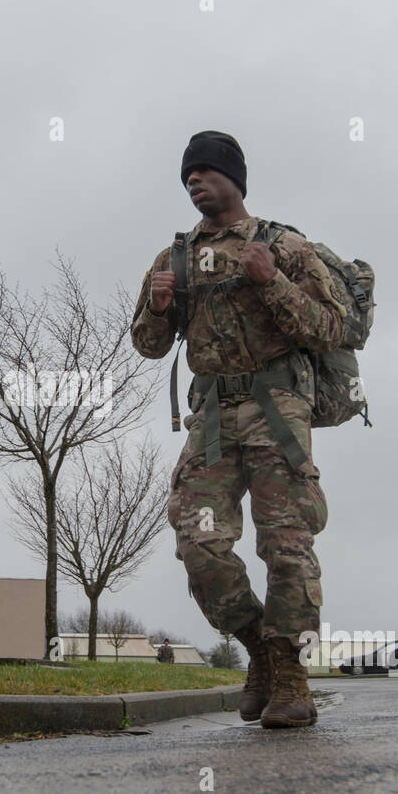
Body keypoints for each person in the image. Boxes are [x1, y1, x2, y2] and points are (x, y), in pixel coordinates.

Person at [130, 131, 346, 728]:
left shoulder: (282, 243)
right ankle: (261, 652)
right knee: (200, 544)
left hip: (278, 413)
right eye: (187, 176)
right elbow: (149, 348)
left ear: (234, 179)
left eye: (204, 171)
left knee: (287, 547)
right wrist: (156, 308)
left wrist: (269, 279)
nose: (194, 182)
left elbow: (330, 329)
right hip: (214, 422)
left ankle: (291, 678)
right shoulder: (174, 258)